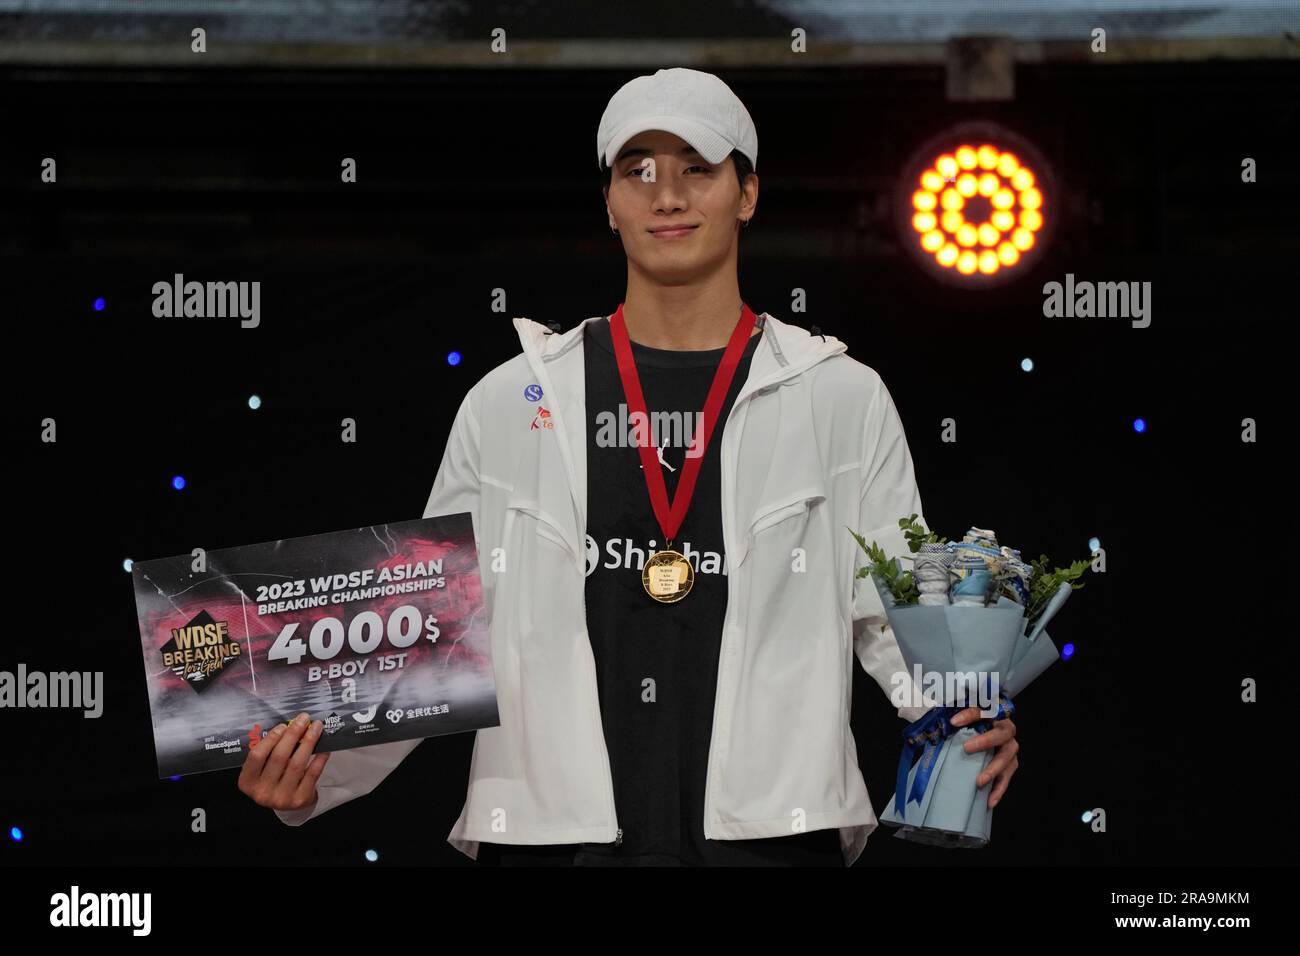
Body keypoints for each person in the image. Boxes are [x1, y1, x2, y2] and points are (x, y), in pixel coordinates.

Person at [237, 67, 1020, 866]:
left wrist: (963, 711)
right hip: (552, 843)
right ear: (609, 202)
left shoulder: (839, 395)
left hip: (772, 839)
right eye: (637, 170)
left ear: (748, 193)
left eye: (697, 168)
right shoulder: (512, 400)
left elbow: (893, 610)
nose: (666, 196)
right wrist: (319, 766)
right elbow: (432, 622)